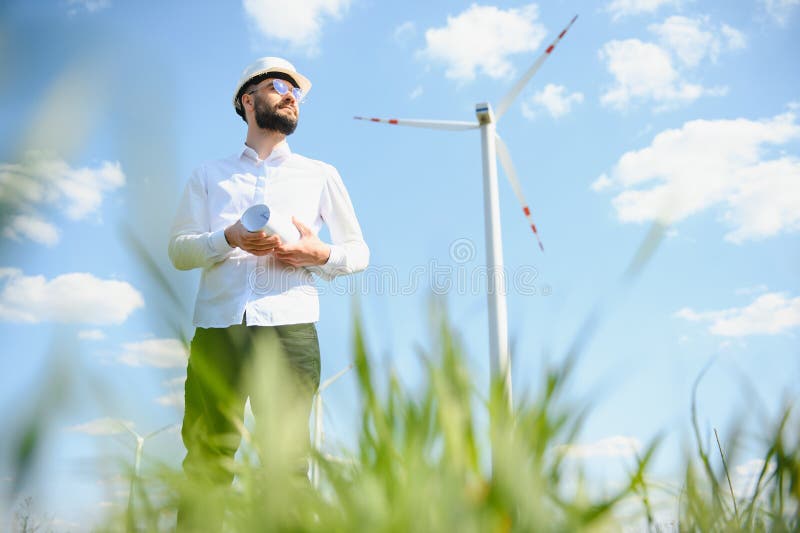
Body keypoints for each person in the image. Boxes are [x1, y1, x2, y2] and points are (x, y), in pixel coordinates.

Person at [168, 56, 369, 530]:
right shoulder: (208, 175)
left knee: (286, 466)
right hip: (218, 330)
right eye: (281, 86)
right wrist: (229, 238)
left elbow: (359, 252)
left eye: (297, 92)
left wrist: (318, 253)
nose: (292, 96)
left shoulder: (321, 174)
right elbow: (179, 251)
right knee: (206, 462)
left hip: (290, 331)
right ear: (248, 100)